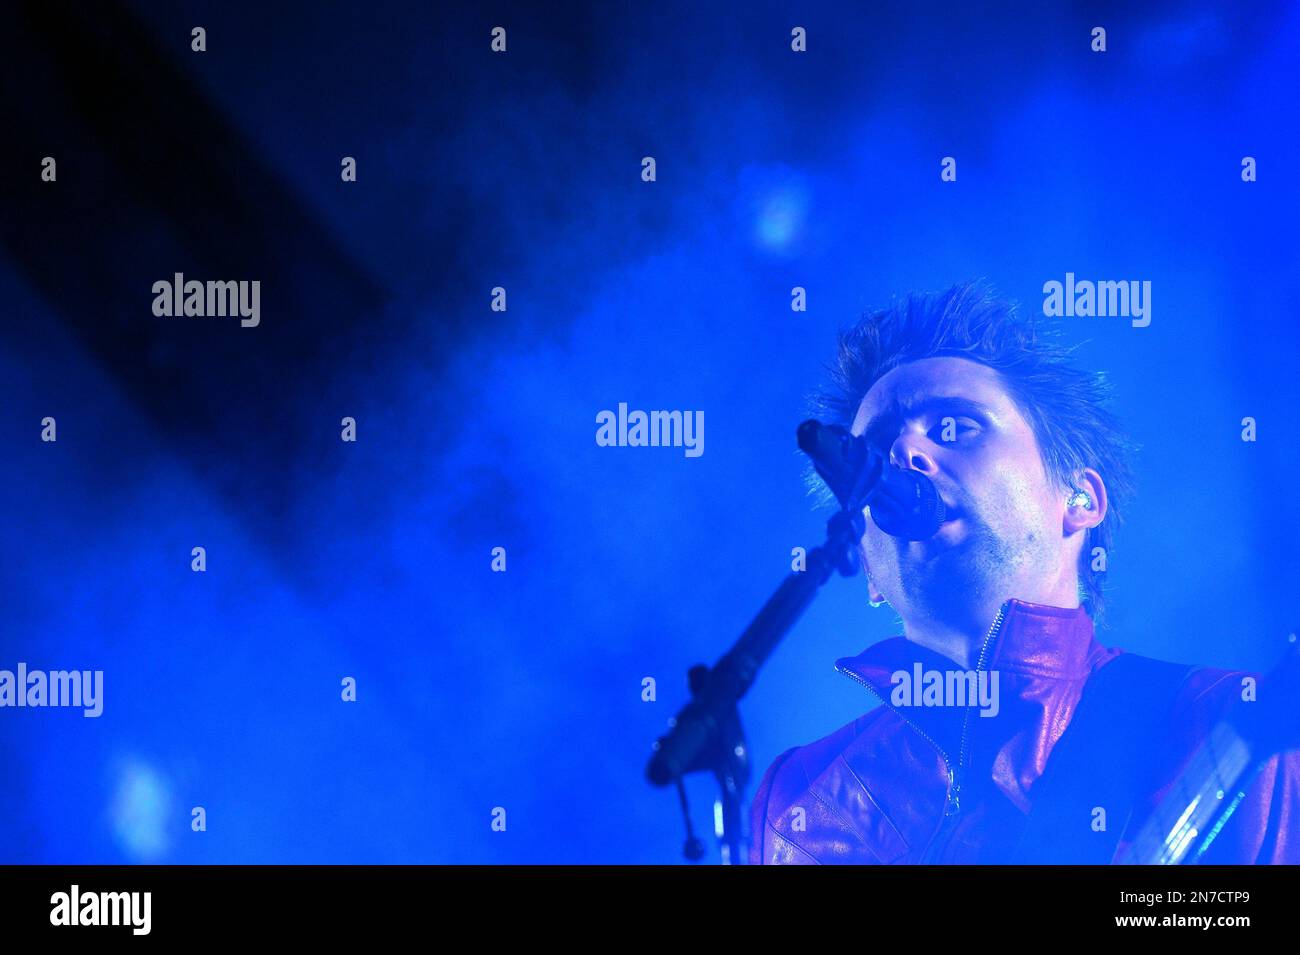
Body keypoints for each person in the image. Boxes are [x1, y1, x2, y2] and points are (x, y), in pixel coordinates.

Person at [749, 282, 1300, 864]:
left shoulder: (1224, 724)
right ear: (868, 570)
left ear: (1079, 499)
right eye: (877, 450)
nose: (905, 456)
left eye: (954, 428)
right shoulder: (800, 801)